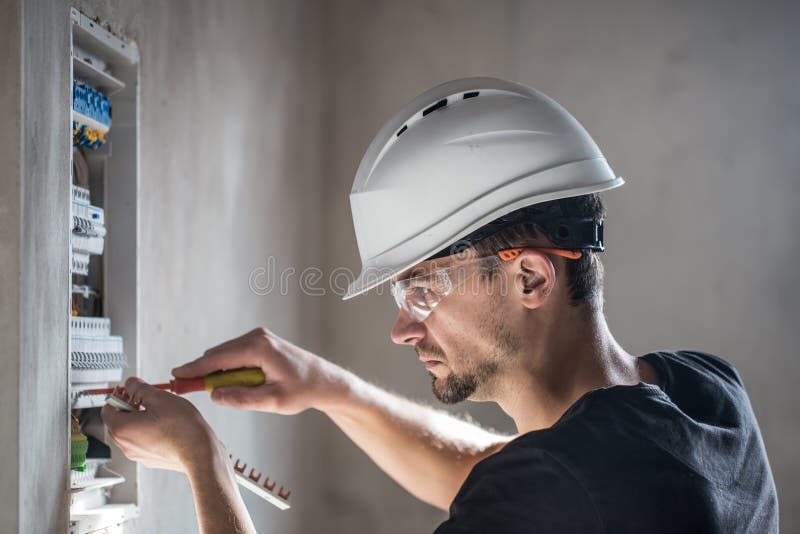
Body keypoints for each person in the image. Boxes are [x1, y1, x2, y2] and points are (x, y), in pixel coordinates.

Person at [102, 78, 778, 533]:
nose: (402, 327)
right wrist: (332, 389)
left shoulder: (553, 490)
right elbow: (494, 472)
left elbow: (532, 488)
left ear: (531, 280)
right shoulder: (707, 393)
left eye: (424, 288)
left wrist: (202, 460)